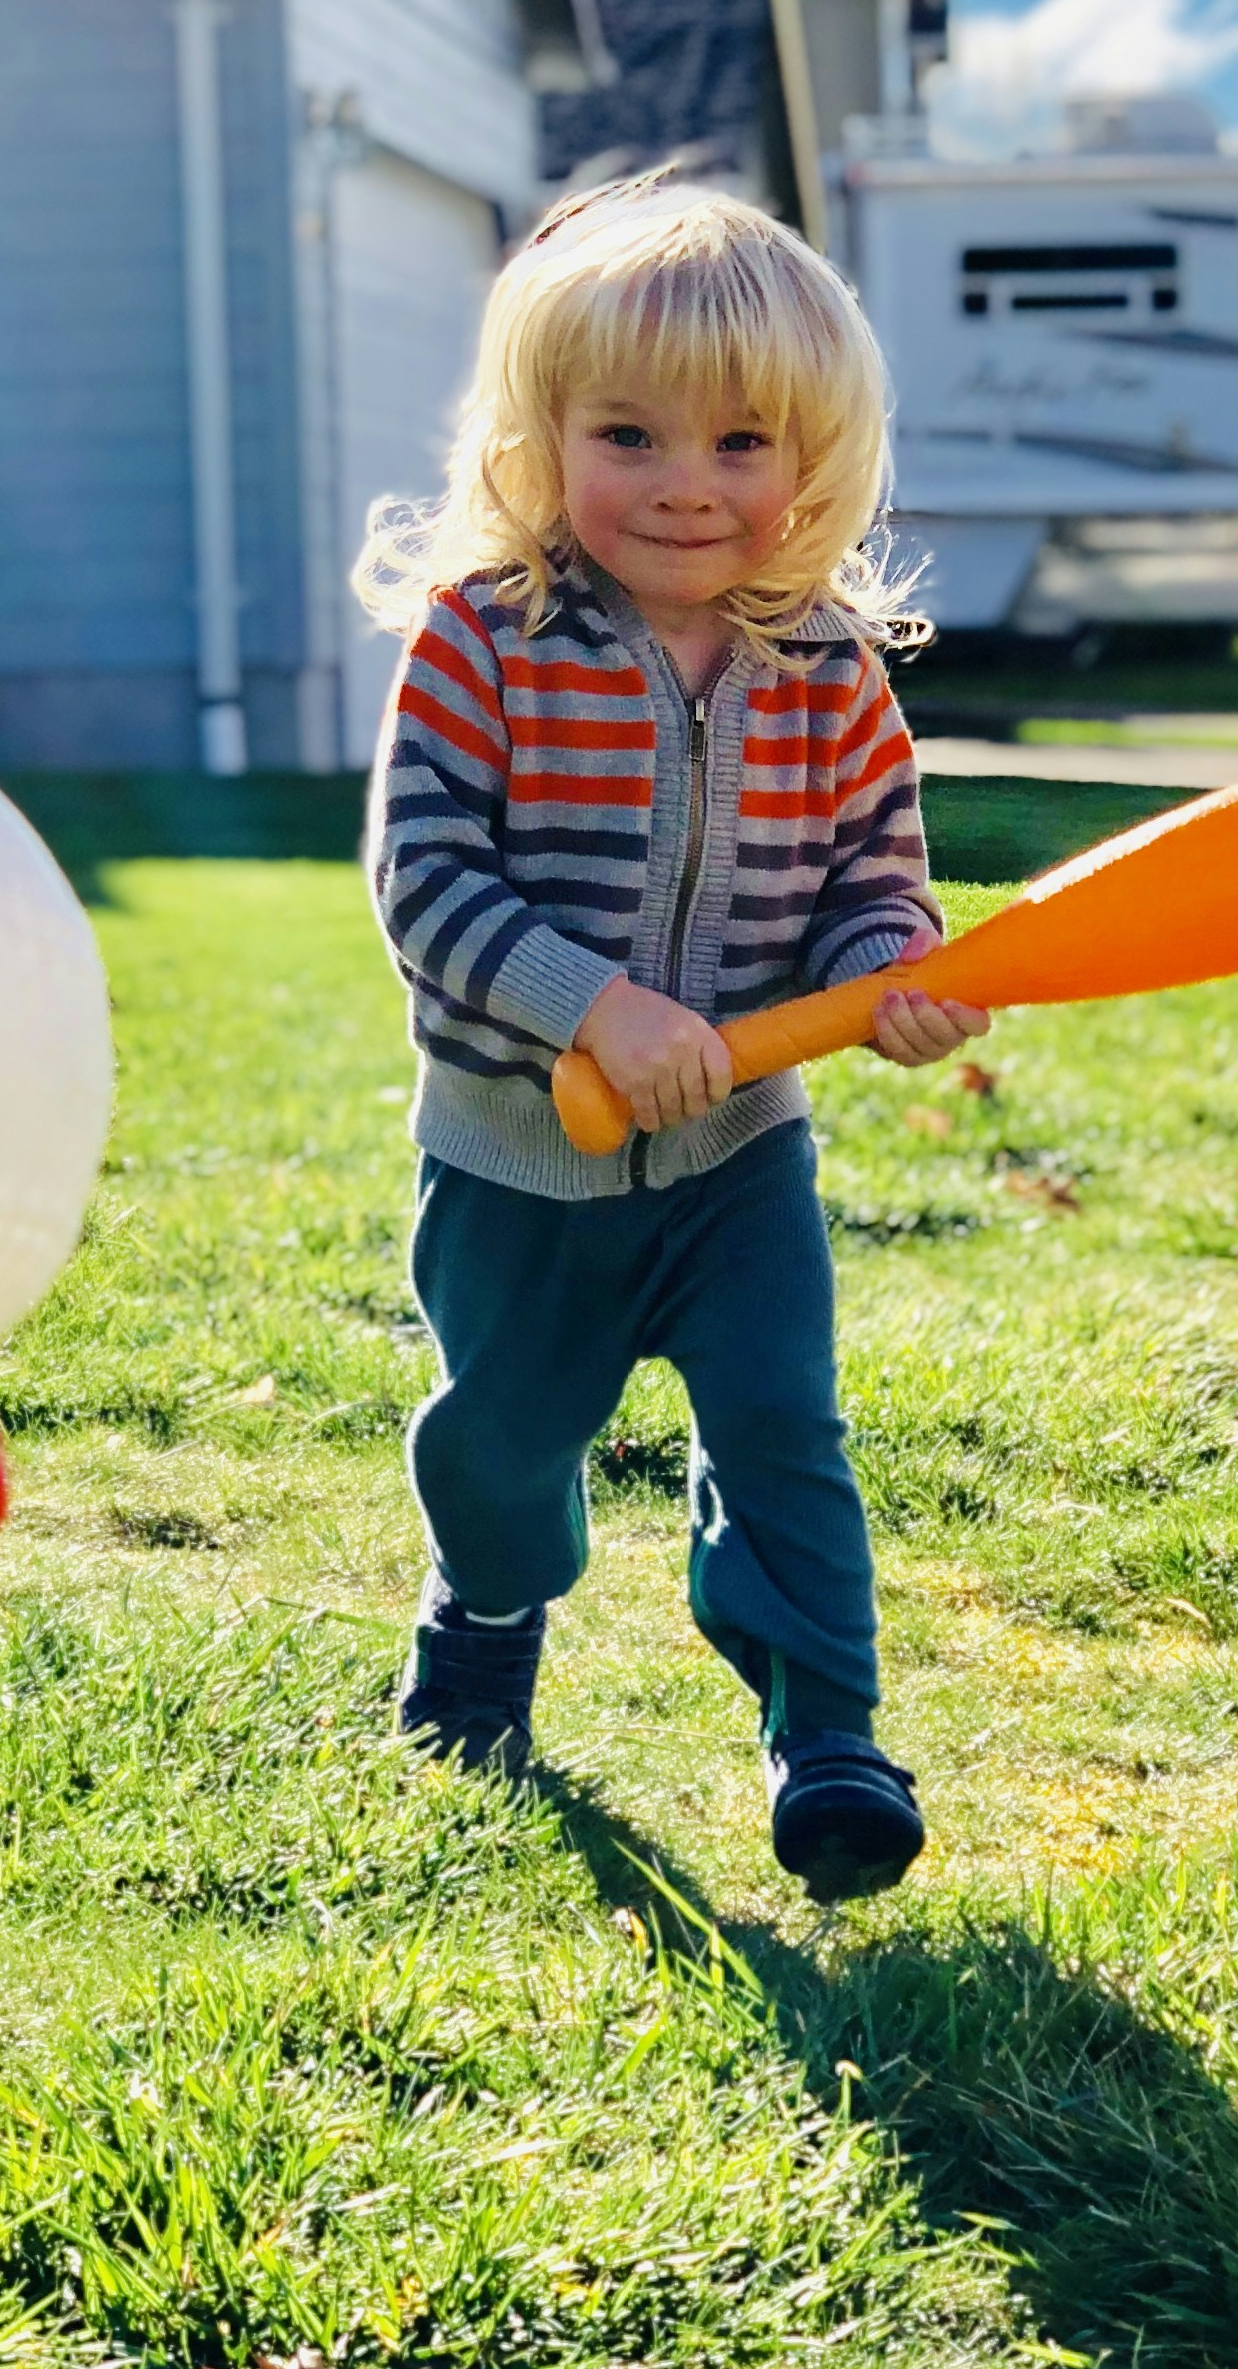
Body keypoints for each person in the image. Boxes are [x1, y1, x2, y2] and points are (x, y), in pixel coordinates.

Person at [355, 168, 981, 1902]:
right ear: (542, 434)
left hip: (738, 1158)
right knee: (501, 1444)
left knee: (783, 1422)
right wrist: (596, 1005)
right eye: (629, 434)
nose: (686, 487)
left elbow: (876, 874)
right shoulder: (488, 638)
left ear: (815, 462)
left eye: (739, 445)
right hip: (521, 1163)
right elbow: (427, 879)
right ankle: (485, 1614)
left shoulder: (828, 666)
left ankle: (830, 1736)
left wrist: (893, 975)